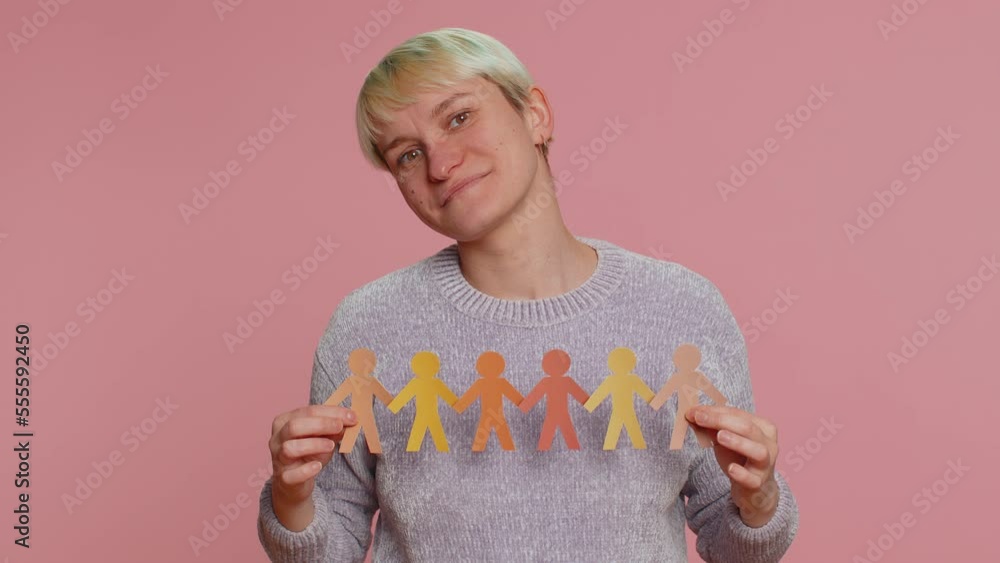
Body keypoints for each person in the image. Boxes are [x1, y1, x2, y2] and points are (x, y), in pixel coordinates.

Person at [258, 27, 799, 562]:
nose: (441, 164)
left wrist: (760, 502)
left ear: (535, 114)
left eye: (460, 118)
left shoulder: (682, 308)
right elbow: (330, 552)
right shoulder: (367, 327)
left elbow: (735, 546)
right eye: (407, 155)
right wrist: (290, 499)